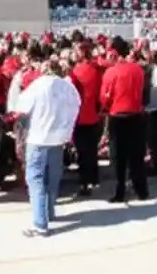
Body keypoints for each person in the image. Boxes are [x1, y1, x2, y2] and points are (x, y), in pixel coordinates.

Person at [13, 59, 81, 237]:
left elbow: (21, 106)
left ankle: (40, 223)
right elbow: (76, 104)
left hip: (38, 137)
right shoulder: (67, 87)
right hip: (57, 138)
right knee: (53, 178)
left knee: (35, 179)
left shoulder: (38, 85)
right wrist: (67, 127)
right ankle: (49, 212)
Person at [101, 37, 148, 203]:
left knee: (118, 158)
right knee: (136, 156)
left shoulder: (111, 72)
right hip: (136, 116)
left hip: (118, 117)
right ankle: (141, 189)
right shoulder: (138, 70)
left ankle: (119, 191)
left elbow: (104, 99)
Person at [68, 44, 104, 197]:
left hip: (79, 117)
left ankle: (84, 183)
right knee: (92, 149)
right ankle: (93, 178)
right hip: (94, 115)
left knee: (82, 152)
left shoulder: (75, 72)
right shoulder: (96, 70)